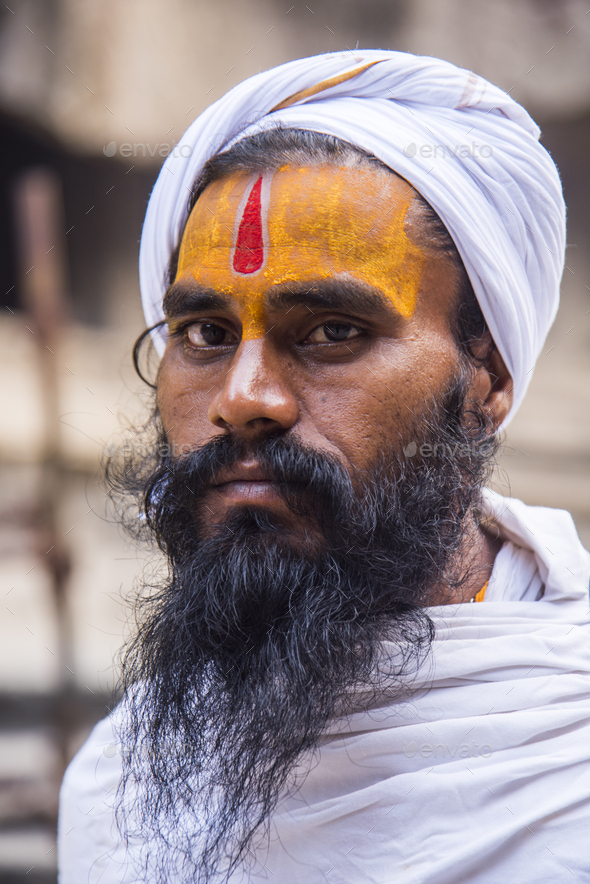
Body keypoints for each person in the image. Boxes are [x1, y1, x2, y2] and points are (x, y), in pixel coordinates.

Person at [58, 50, 590, 884]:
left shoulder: (568, 765)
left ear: (487, 378)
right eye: (205, 333)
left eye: (333, 331)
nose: (243, 399)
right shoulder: (118, 785)